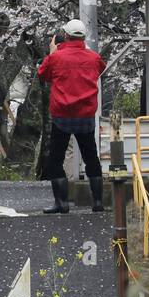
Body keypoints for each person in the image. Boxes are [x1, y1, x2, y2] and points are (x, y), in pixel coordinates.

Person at [37, 18, 106, 214]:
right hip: (85, 115)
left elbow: (43, 74)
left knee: (55, 160)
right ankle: (98, 202)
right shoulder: (93, 58)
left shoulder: (56, 58)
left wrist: (52, 53)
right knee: (91, 158)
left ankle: (61, 203)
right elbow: (100, 69)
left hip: (62, 115)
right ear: (83, 36)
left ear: (65, 36)